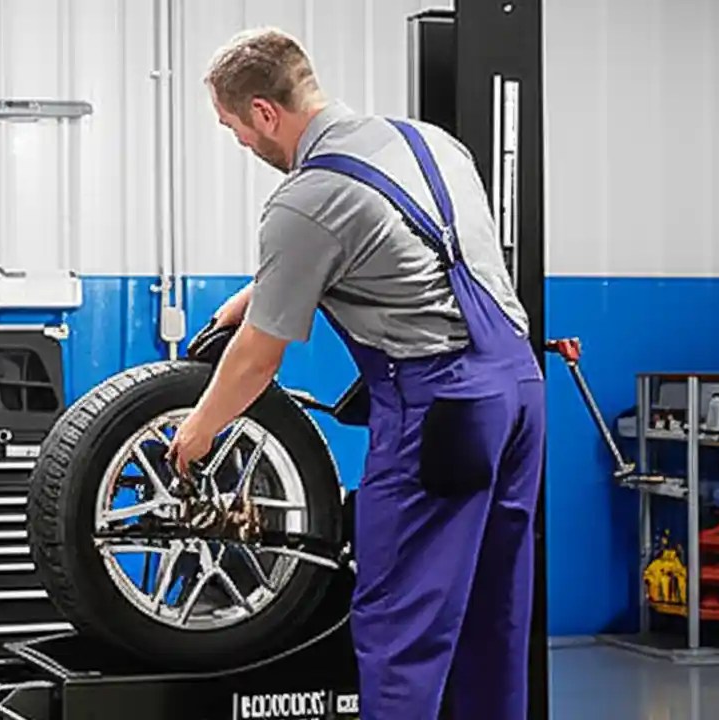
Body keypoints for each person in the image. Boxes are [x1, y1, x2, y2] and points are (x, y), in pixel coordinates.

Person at [164, 27, 545, 720]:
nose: (239, 141)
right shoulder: (429, 142)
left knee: (401, 624)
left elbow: (257, 360)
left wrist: (197, 432)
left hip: (442, 408)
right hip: (519, 390)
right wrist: (256, 295)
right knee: (494, 613)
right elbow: (397, 246)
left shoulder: (304, 198)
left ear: (264, 112)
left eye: (233, 126)